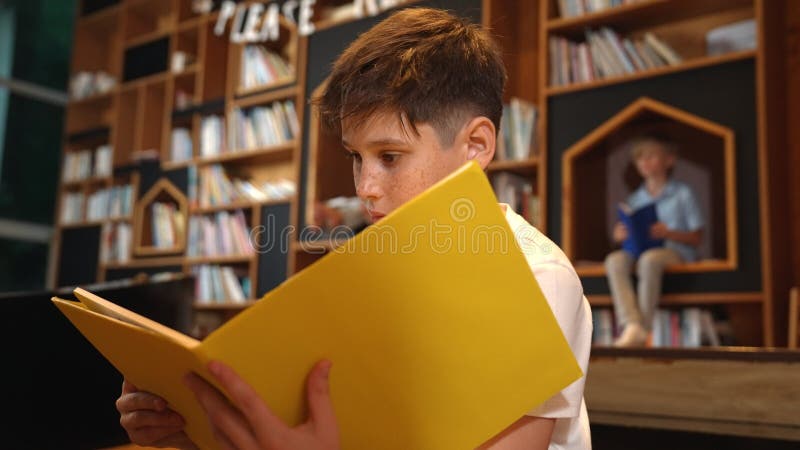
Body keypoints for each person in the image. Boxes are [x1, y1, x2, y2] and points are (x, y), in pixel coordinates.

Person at [116, 7, 592, 449]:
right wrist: (197, 429)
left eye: (390, 157)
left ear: (475, 146)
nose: (365, 187)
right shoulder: (375, 265)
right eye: (356, 158)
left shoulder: (536, 277)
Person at [605, 134, 704, 347]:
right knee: (614, 260)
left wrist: (668, 233)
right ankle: (631, 324)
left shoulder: (682, 194)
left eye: (651, 156)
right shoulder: (635, 199)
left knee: (649, 260)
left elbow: (697, 237)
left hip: (674, 252)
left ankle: (643, 328)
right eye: (641, 158)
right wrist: (620, 235)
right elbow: (629, 235)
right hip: (639, 250)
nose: (645, 162)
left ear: (669, 160)